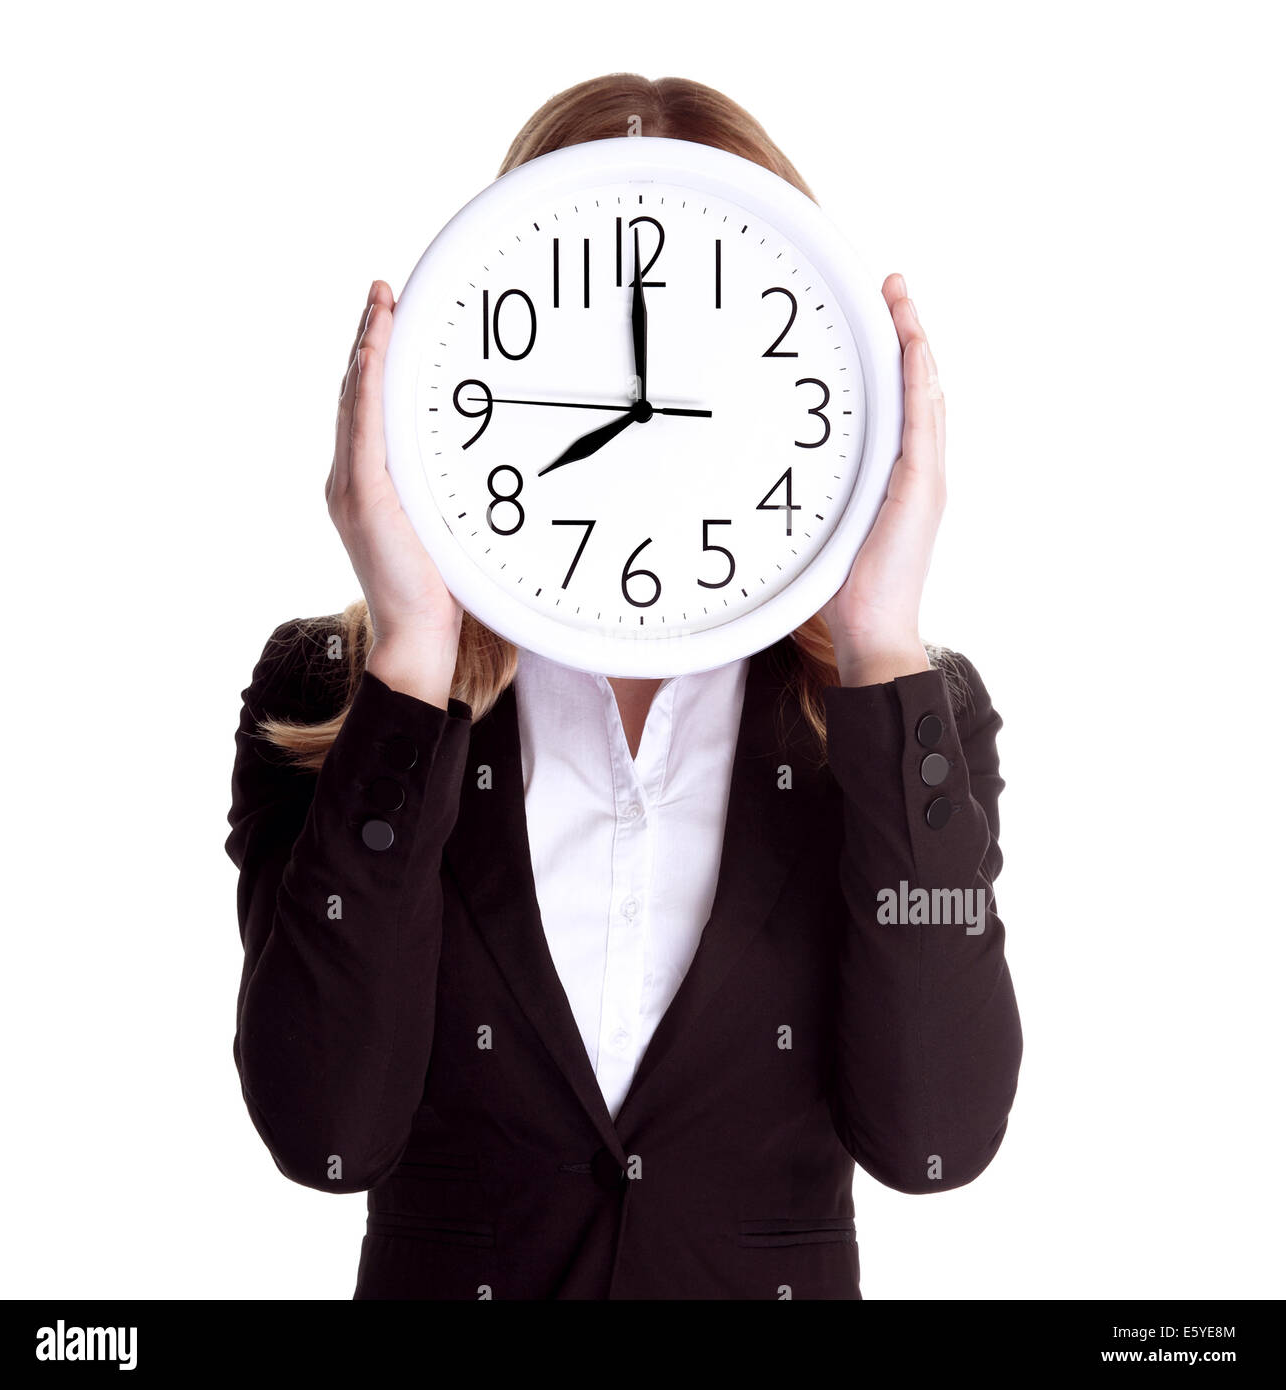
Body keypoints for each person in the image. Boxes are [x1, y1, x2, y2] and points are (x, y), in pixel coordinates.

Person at [225, 73, 1022, 1300]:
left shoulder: (906, 714)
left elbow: (936, 1138)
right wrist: (411, 662)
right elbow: (327, 1133)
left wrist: (875, 651)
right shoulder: (338, 690)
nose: (648, 414)